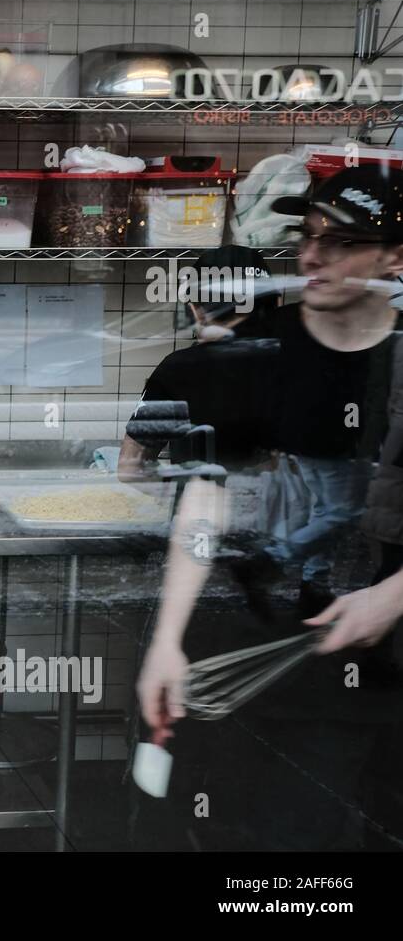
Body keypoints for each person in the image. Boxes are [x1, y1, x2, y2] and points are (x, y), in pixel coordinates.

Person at [134, 165, 403, 850]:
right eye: (308, 234)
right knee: (192, 826)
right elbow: (207, 495)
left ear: (394, 258)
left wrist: (392, 597)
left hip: (357, 669)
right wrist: (167, 639)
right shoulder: (254, 355)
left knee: (300, 845)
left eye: (341, 241)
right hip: (225, 650)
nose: (313, 254)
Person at [118, 245, 282, 482]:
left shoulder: (177, 370)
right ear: (275, 303)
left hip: (198, 514)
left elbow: (130, 469)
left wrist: (187, 493)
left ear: (196, 311)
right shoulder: (300, 364)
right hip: (280, 514)